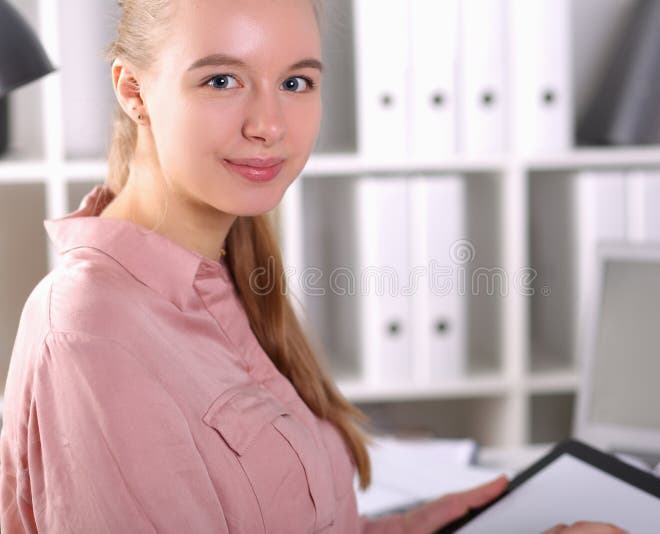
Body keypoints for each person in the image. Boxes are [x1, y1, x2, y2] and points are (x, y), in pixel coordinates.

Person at [0, 1, 627, 532]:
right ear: (134, 91)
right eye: (222, 80)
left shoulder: (227, 270)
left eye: (296, 82)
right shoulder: (92, 331)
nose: (269, 125)